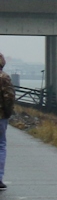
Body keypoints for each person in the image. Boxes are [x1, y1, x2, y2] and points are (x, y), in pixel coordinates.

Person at [0, 52, 13, 191]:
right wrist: (8, 113)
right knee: (1, 145)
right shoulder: (4, 78)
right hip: (0, 117)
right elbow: (9, 98)